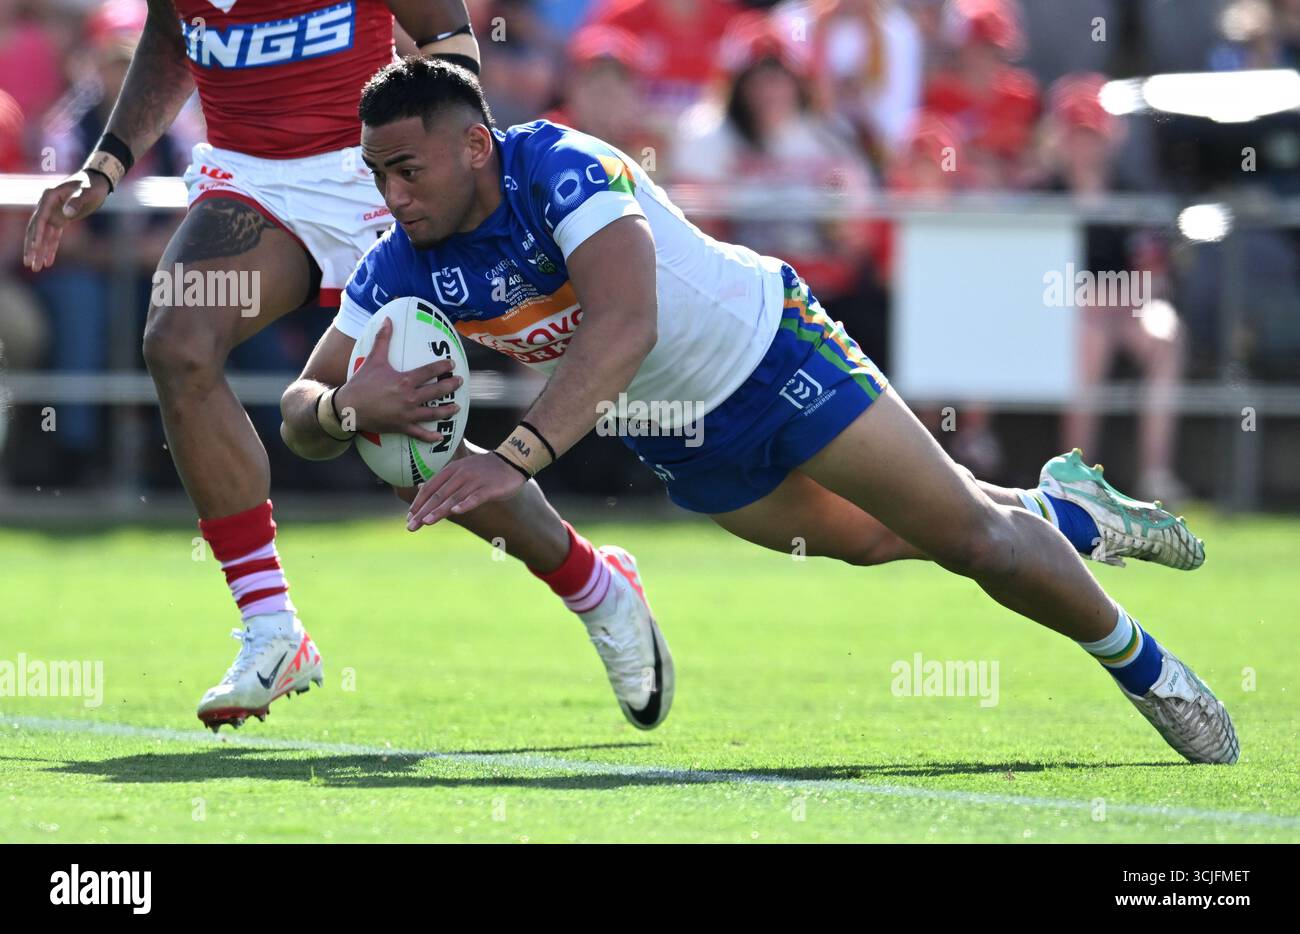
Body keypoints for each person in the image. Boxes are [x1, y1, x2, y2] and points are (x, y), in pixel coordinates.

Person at [282, 58, 1235, 765]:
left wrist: (515, 458)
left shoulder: (561, 167)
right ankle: (1073, 512)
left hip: (772, 353)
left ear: (475, 146)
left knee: (975, 541)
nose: (392, 195)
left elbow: (624, 326)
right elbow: (296, 408)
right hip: (678, 436)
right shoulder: (401, 257)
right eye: (377, 175)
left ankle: (1149, 670)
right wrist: (340, 404)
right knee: (882, 540)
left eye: (406, 169)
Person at [21, 0, 673, 733]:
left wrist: (448, 183)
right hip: (251, 179)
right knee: (177, 343)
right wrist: (103, 168)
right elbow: (172, 39)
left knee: (408, 453)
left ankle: (593, 585)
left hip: (377, 171)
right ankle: (271, 627)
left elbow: (447, 37)